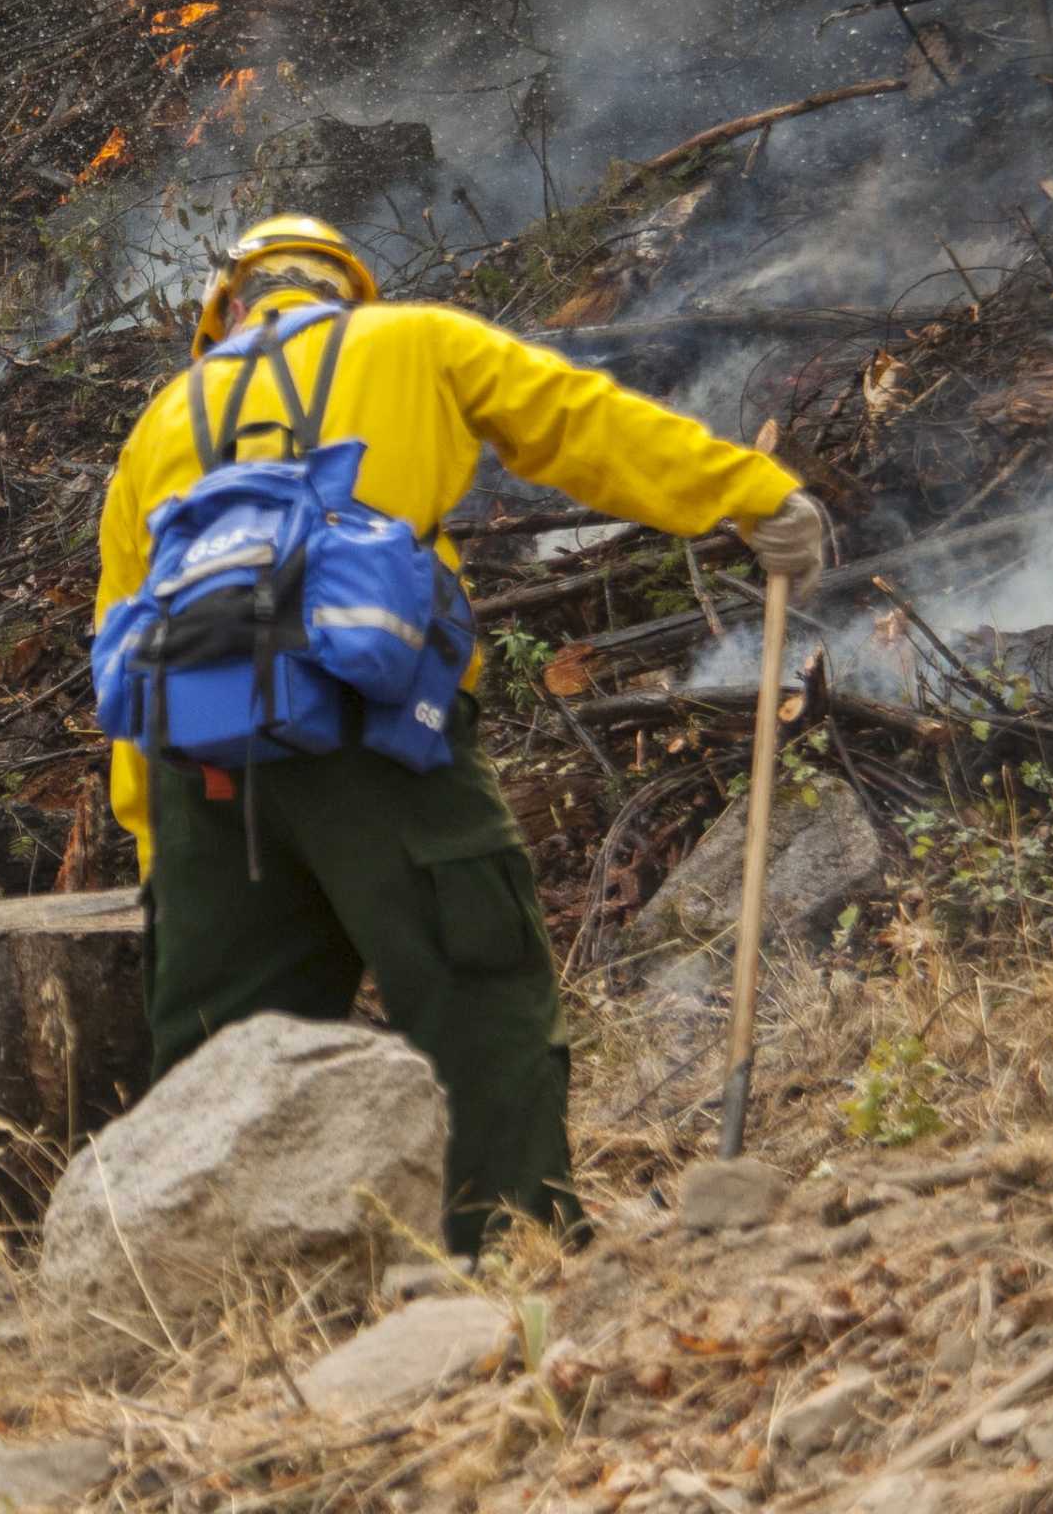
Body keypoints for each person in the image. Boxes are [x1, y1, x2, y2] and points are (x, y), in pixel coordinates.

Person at [95, 215, 826, 1253]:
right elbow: (582, 425)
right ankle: (512, 1248)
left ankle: (220, 1303)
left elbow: (119, 639)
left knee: (222, 1054)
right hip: (379, 736)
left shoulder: (164, 419)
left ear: (228, 309)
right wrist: (746, 493)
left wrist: (160, 849)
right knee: (478, 996)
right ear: (347, 290)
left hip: (204, 777)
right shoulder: (413, 339)